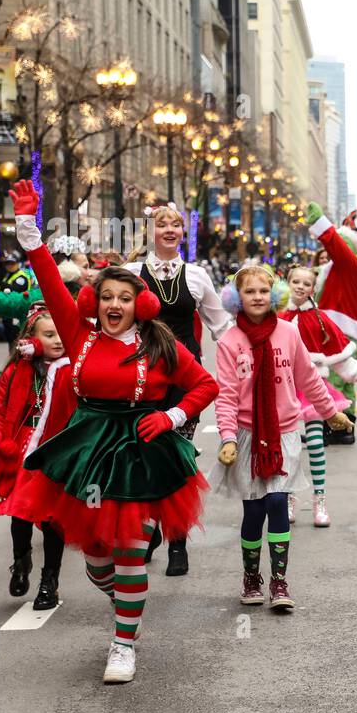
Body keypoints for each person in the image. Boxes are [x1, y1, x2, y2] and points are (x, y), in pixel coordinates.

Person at [5, 180, 219, 683]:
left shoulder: (159, 342)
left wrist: (171, 417)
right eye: (108, 297)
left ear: (138, 304)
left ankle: (123, 644)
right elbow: (51, 284)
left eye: (125, 297)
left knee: (130, 550)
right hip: (88, 451)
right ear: (95, 302)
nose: (116, 304)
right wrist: (30, 232)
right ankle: (127, 598)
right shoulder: (78, 333)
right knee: (100, 563)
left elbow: (204, 385)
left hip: (144, 450)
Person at [211, 266, 345, 611]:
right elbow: (225, 394)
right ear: (236, 298)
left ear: (274, 295)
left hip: (285, 431)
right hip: (246, 436)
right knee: (254, 509)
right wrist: (227, 437)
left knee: (276, 502)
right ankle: (251, 577)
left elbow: (309, 378)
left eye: (263, 291)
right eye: (249, 291)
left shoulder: (288, 332)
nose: (257, 297)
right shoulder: (229, 341)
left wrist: (330, 412)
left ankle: (279, 581)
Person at [124, 203, 232, 576]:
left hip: (186, 382)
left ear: (183, 233)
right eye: (161, 223)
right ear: (149, 231)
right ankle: (150, 529)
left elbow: (221, 327)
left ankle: (178, 541)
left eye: (176, 224)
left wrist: (255, 352)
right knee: (145, 455)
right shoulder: (130, 274)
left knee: (179, 456)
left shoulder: (198, 275)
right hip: (141, 378)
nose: (169, 229)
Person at [0, 307, 75, 610]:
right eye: (48, 334)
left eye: (61, 333)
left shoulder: (75, 369)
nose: (57, 340)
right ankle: (21, 561)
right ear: (31, 339)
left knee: (51, 519)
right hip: (21, 450)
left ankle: (50, 582)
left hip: (55, 449)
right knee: (19, 514)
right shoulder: (16, 371)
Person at [282, 265, 357, 527]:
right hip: (284, 390)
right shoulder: (278, 317)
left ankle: (319, 501)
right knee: (289, 450)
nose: (301, 287)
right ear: (287, 282)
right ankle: (288, 498)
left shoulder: (321, 320)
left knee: (315, 444)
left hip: (314, 390)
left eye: (306, 283)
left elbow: (341, 360)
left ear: (314, 288)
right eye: (296, 281)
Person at [304, 202, 357, 443]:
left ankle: (337, 426)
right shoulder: (330, 269)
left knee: (336, 379)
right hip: (332, 330)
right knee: (342, 380)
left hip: (343, 331)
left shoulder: (348, 265)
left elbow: (335, 243)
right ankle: (343, 428)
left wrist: (320, 223)